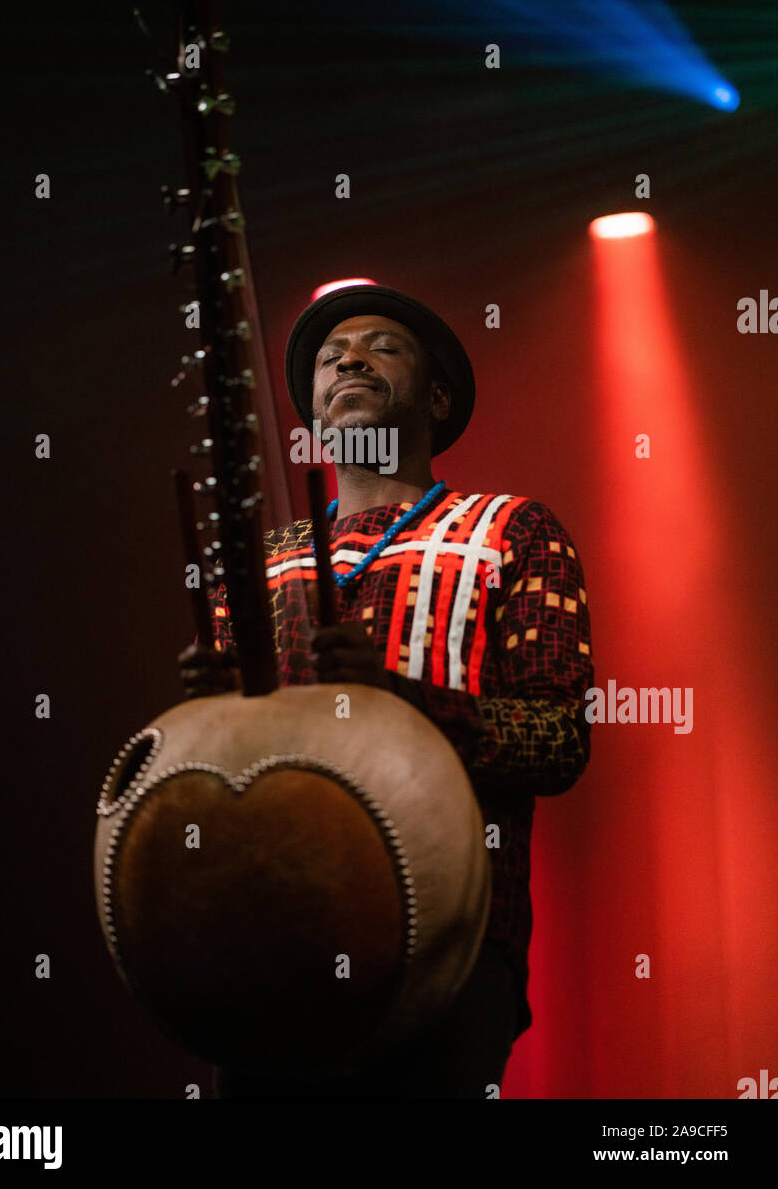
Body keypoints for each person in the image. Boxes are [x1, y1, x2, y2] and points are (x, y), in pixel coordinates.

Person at [179, 283, 594, 1099]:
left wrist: (400, 701)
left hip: (447, 938)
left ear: (435, 398)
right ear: (313, 415)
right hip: (272, 940)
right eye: (331, 357)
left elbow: (558, 739)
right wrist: (208, 714)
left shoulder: (512, 530)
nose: (349, 360)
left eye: (381, 347)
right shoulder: (260, 563)